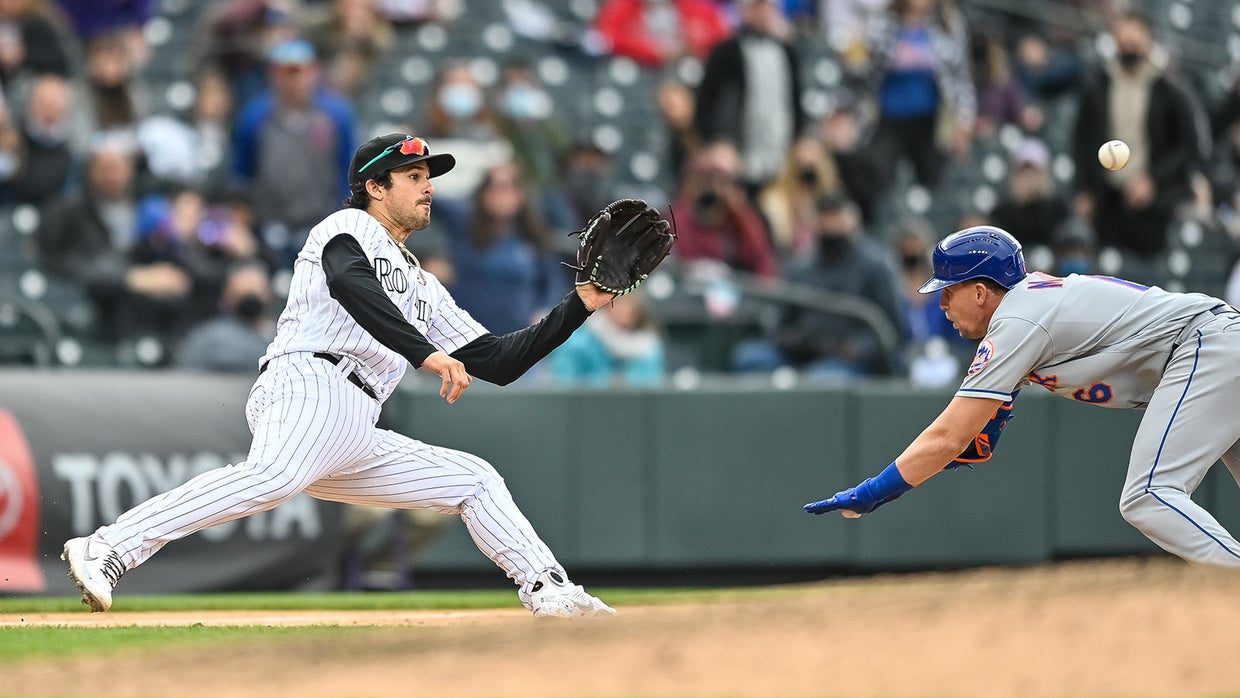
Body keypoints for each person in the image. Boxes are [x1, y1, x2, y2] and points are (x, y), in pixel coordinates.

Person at [61, 132, 623, 616]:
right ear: (375, 187)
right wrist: (424, 353)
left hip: (355, 423)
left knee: (475, 480)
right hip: (309, 382)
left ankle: (550, 589)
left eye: (428, 177)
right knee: (274, 477)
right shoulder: (347, 225)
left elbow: (500, 361)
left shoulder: (424, 286)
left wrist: (581, 303)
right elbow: (350, 283)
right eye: (413, 176)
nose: (428, 186)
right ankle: (110, 546)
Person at [804, 225, 1240, 568]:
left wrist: (873, 491)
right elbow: (976, 440)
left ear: (980, 292)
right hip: (1217, 348)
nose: (942, 305)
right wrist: (962, 445)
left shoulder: (1017, 320)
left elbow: (949, 436)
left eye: (948, 291)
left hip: (1207, 348)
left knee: (1148, 494)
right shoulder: (1026, 311)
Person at [1070, 11, 1200, 270]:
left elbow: (1188, 144)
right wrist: (1083, 188)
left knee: (1148, 275)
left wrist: (1152, 179)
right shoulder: (1097, 86)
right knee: (1105, 272)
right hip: (1107, 197)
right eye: (1124, 42)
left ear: (1148, 43)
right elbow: (1081, 140)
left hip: (1152, 201)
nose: (1129, 48)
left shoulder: (1168, 89)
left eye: (1135, 42)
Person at [693, 0, 805, 199]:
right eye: (758, 7)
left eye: (769, 8)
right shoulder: (726, 51)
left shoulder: (787, 52)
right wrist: (718, 140)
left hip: (778, 154)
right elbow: (707, 101)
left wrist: (799, 138)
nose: (764, 14)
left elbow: (795, 100)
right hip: (735, 155)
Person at [174, 259, 276, 372]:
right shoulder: (209, 337)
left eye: (255, 290)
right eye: (241, 292)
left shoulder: (281, 335)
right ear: (226, 298)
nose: (250, 293)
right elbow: (185, 374)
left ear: (269, 294)